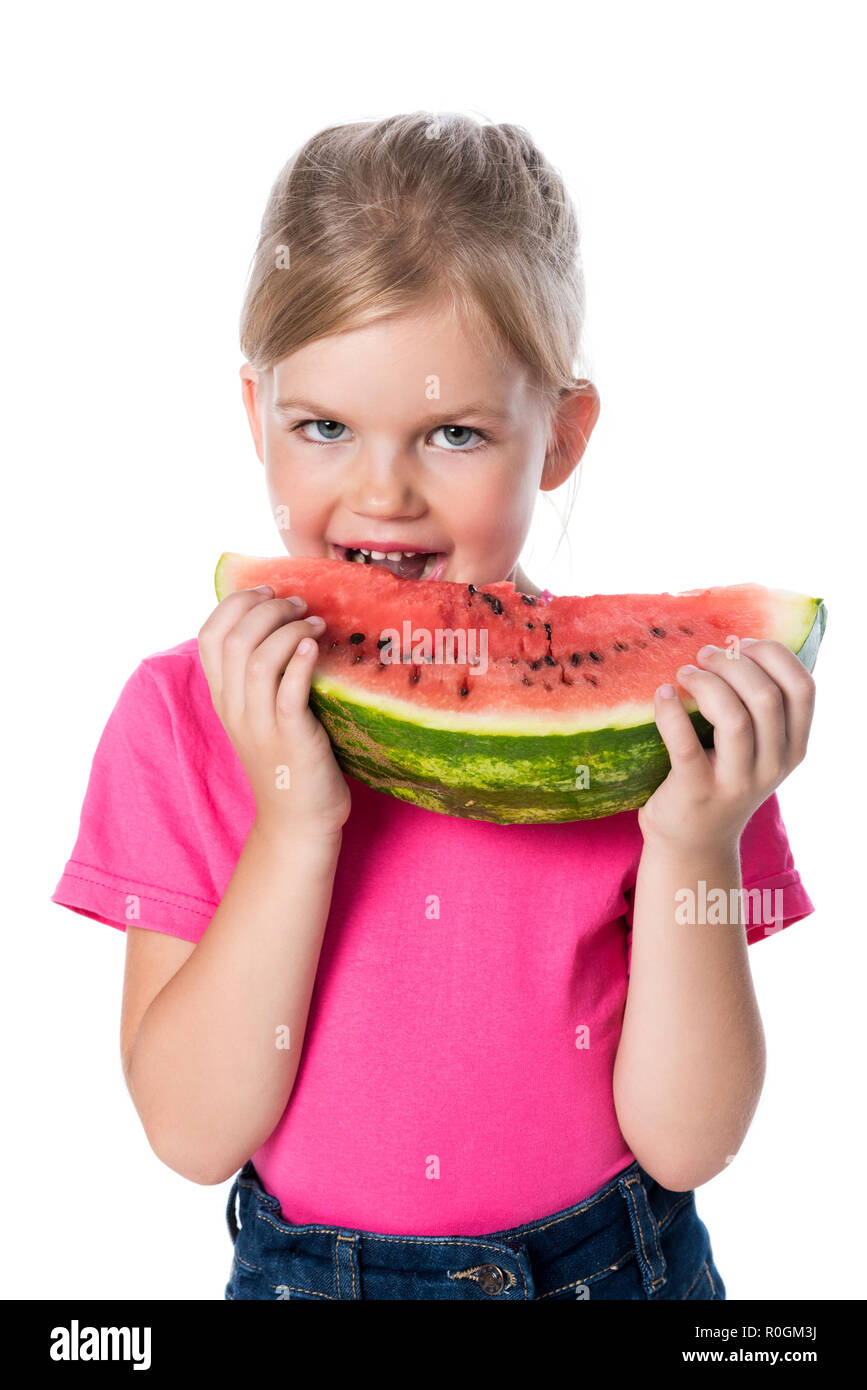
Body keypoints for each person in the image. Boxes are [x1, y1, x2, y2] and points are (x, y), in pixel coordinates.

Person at [51, 111, 817, 1300]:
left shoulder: (668, 739)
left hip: (612, 1269)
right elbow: (192, 1136)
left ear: (560, 437)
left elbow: (692, 1141)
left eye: (454, 432)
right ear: (254, 416)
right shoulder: (181, 718)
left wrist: (695, 840)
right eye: (324, 428)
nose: (383, 491)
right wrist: (297, 822)